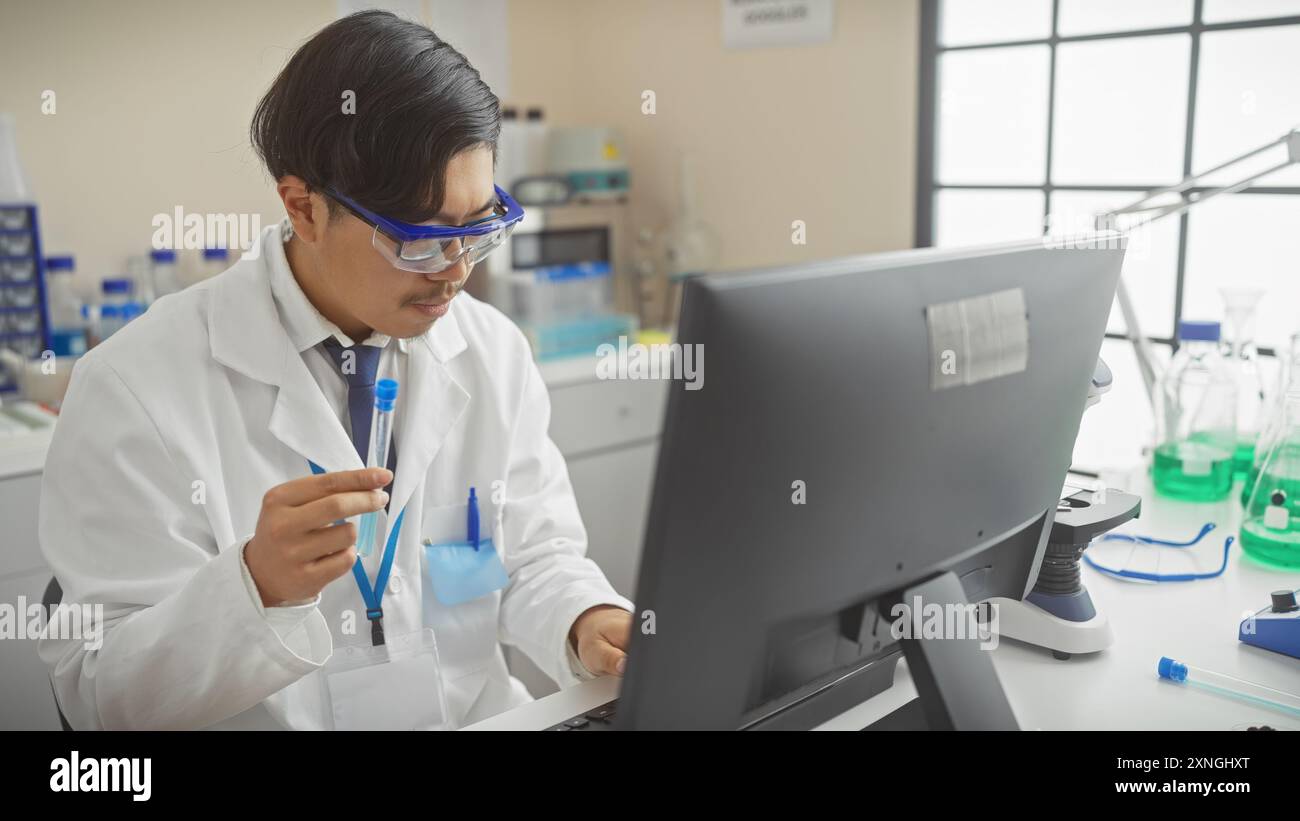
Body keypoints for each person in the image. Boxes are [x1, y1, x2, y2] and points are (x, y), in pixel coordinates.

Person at [38, 10, 633, 730]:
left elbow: (535, 555)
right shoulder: (135, 390)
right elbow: (102, 695)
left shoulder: (492, 350)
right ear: (304, 207)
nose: (456, 273)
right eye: (421, 240)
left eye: (478, 229)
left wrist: (584, 617)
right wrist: (255, 585)